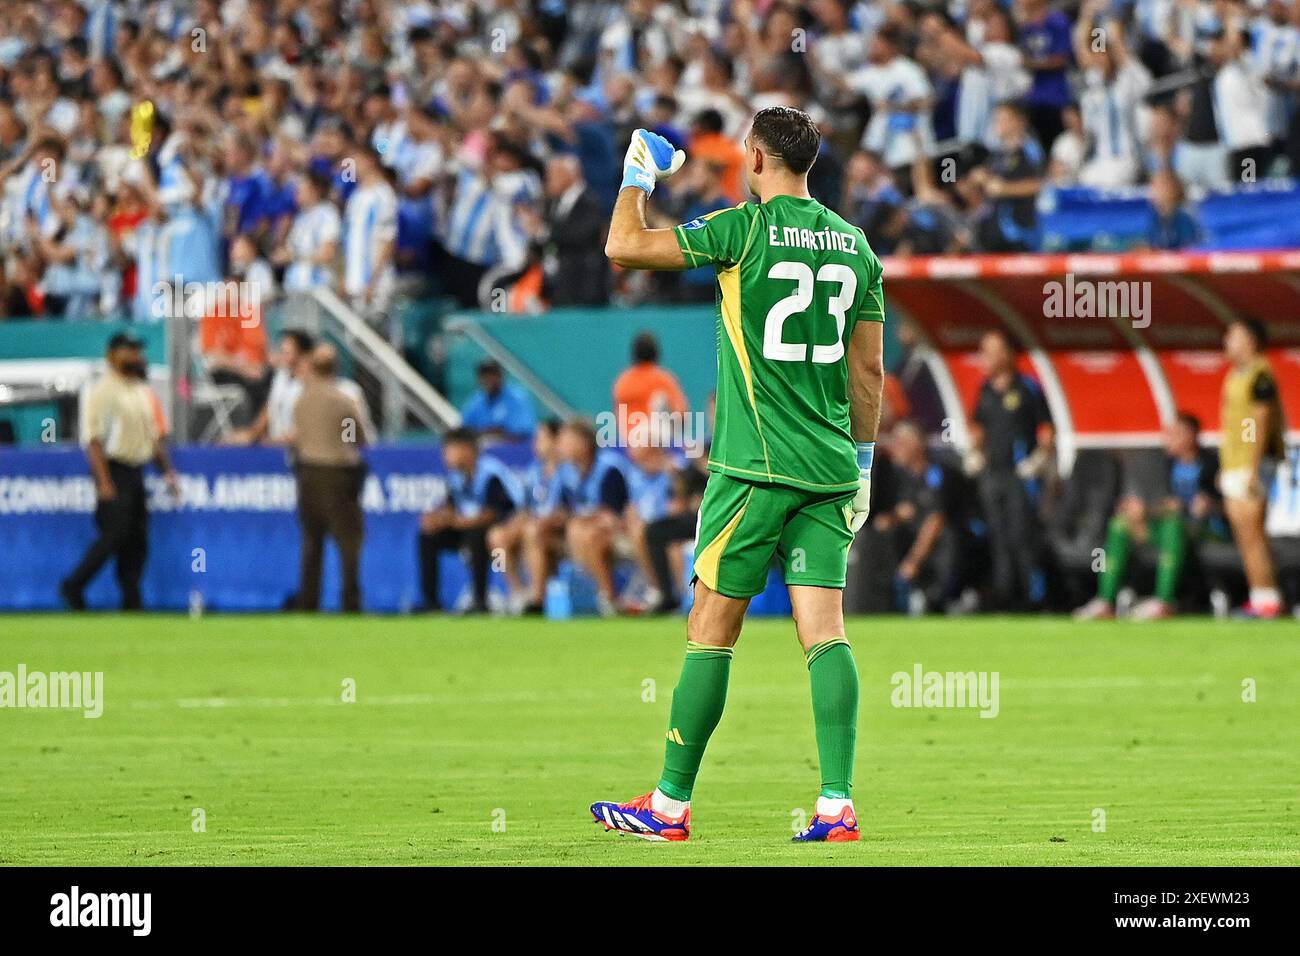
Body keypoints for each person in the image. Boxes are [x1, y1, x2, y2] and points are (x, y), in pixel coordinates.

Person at [591, 108, 885, 843]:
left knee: (711, 630)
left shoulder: (741, 230)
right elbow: (869, 372)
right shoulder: (856, 247)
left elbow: (623, 247)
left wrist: (636, 173)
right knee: (826, 633)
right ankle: (836, 804)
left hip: (752, 468)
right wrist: (864, 463)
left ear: (754, 157)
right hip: (829, 470)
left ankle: (668, 807)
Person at [61, 332, 179, 610]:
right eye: (130, 350)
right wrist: (103, 482)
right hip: (115, 471)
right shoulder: (103, 391)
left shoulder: (141, 390)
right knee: (115, 534)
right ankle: (73, 585)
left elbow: (152, 439)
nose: (137, 356)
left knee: (137, 539)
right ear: (113, 354)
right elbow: (94, 441)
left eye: (138, 350)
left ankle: (131, 597)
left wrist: (167, 472)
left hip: (137, 471)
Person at [1075, 412, 1225, 621]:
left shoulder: (1214, 463)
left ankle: (1164, 601)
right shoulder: (1163, 464)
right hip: (1165, 526)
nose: (1168, 439)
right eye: (1168, 433)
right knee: (1119, 525)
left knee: (1173, 525)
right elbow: (1162, 503)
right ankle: (1105, 600)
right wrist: (1140, 515)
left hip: (1208, 529)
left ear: (1192, 435)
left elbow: (1216, 504)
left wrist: (1209, 504)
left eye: (1175, 433)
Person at [966, 329, 1054, 610]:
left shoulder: (1028, 387)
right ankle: (1005, 598)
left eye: (991, 351)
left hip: (1021, 476)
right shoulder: (985, 389)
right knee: (999, 537)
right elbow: (978, 427)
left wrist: (1038, 460)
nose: (985, 358)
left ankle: (1035, 598)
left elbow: (1047, 430)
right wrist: (975, 454)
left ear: (1008, 354)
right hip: (993, 474)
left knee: (1022, 536)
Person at [292, 344, 369, 612]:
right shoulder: (342, 401)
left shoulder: (301, 401)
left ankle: (309, 600)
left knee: (312, 542)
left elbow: (298, 437)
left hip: (307, 475)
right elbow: (357, 438)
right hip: (338, 476)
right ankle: (350, 601)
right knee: (348, 542)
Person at [1218, 318, 1287, 618]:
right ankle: (1259, 596)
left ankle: (1268, 599)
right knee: (1245, 535)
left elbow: (1260, 421)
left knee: (1253, 533)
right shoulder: (1235, 375)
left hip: (1251, 464)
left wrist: (1254, 466)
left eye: (1233, 335)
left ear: (1250, 340)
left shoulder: (1260, 374)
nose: (1226, 341)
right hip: (1235, 463)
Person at [419, 428, 522, 613]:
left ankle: (480, 600)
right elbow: (451, 507)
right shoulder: (456, 477)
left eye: (449, 450)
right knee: (428, 536)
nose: (445, 456)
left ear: (466, 450)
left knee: (478, 536)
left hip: (500, 530)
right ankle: (431, 602)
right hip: (466, 527)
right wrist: (437, 519)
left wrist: (458, 522)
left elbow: (495, 512)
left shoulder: (490, 473)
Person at [556, 419, 632, 617]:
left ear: (583, 442)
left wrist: (583, 520)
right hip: (582, 534)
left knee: (589, 535)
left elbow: (613, 516)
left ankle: (609, 597)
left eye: (566, 440)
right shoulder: (567, 473)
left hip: (622, 534)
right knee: (572, 530)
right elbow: (566, 510)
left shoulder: (609, 469)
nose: (561, 446)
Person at [488, 418, 564, 610]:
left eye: (541, 438)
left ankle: (538, 599)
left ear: (556, 441)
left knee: (532, 531)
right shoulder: (534, 471)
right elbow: (526, 508)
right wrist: (511, 528)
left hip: (556, 531)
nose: (536, 444)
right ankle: (517, 592)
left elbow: (569, 507)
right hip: (535, 525)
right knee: (497, 537)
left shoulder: (567, 470)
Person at [611, 331, 688, 449]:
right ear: (656, 352)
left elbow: (617, 414)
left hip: (629, 439)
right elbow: (681, 413)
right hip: (656, 440)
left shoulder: (623, 381)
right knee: (660, 401)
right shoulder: (663, 379)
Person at [458, 359, 536, 442]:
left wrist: (495, 434)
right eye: (484, 375)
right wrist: (488, 433)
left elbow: (523, 433)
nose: (488, 379)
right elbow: (464, 432)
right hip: (483, 450)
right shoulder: (475, 401)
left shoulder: (517, 397)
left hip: (516, 451)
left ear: (502, 376)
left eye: (493, 375)